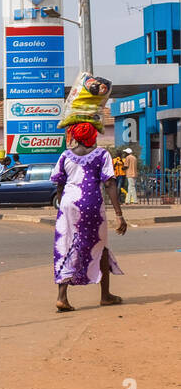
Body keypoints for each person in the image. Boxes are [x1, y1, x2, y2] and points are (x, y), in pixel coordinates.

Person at [53, 122, 126, 312]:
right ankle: (105, 296)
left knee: (66, 245)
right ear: (93, 137)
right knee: (100, 247)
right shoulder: (101, 154)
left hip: (68, 204)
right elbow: (109, 184)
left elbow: (59, 185)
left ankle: (62, 297)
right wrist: (119, 215)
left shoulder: (64, 155)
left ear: (75, 137)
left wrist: (62, 210)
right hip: (91, 204)